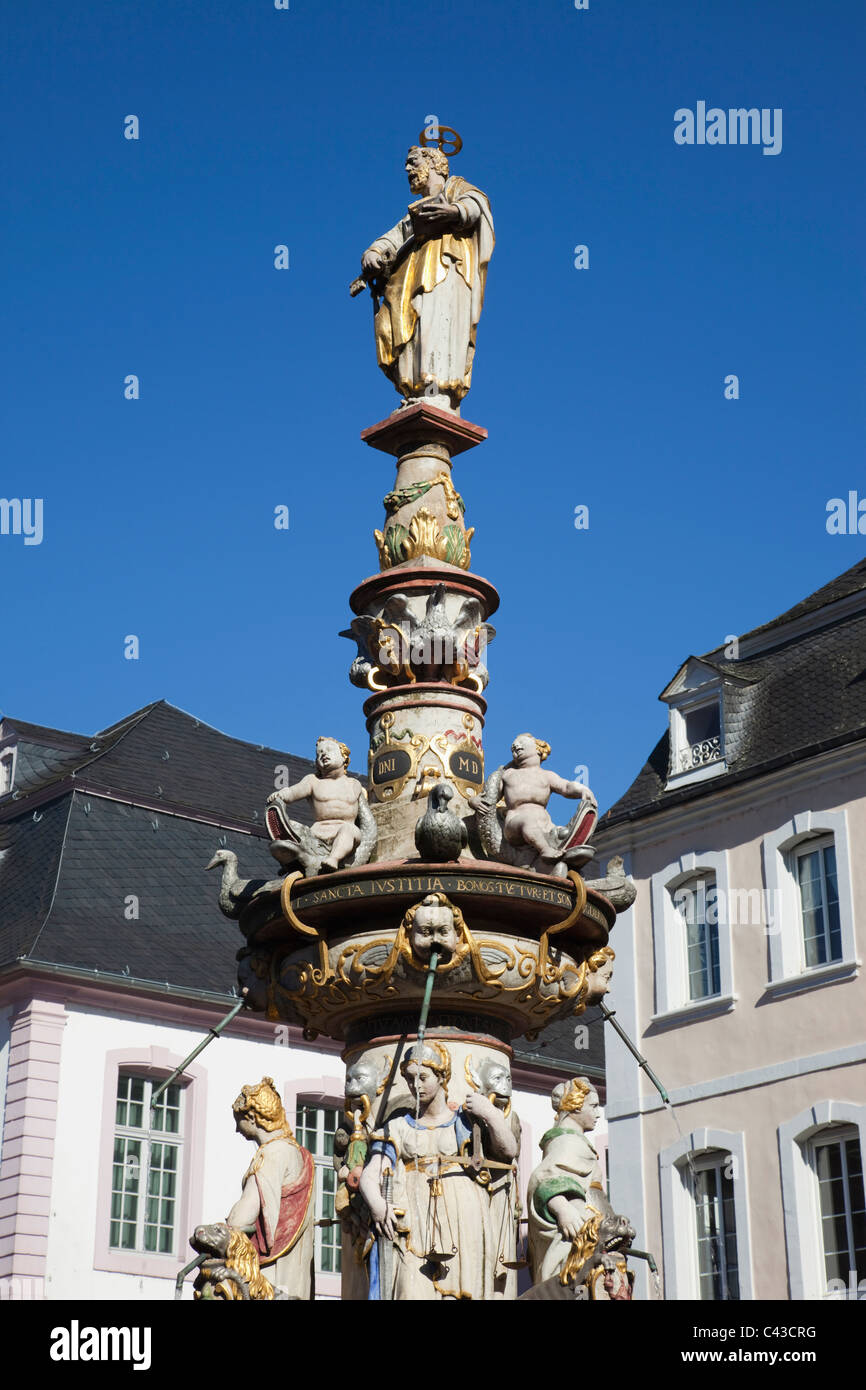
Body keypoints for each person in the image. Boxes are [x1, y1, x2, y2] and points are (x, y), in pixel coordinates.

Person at [358, 1042, 517, 1299]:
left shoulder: (465, 1122)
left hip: (463, 1217)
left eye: (423, 1077)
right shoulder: (397, 1126)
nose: (415, 1085)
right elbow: (371, 1172)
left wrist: (490, 1113)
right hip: (412, 1217)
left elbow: (508, 1152)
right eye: (409, 1078)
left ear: (442, 1076)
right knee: (410, 1289)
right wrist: (377, 1205)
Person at [359, 145, 494, 413]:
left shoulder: (455, 188)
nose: (407, 170)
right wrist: (372, 253)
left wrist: (455, 213)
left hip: (444, 269)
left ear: (433, 164)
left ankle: (438, 392)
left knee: (436, 324)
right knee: (415, 331)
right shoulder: (414, 213)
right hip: (411, 277)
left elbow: (477, 204)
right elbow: (393, 237)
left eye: (412, 163)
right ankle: (416, 390)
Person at [226, 1077, 315, 1300]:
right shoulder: (297, 1153)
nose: (237, 1129)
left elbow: (240, 1219)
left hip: (270, 1279)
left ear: (253, 1118)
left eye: (239, 1121)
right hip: (295, 1277)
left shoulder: (272, 1154)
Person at [526, 1077, 607, 1285]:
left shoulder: (574, 1142)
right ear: (576, 1106)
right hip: (570, 1240)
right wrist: (563, 1209)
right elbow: (542, 1180)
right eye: (594, 1106)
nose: (598, 1114)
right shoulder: (568, 1142)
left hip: (585, 1238)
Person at [266, 736, 365, 871]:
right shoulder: (313, 781)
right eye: (319, 753)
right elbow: (294, 792)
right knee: (292, 827)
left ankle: (333, 859)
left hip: (346, 833)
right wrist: (282, 794)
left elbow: (365, 817)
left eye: (329, 750)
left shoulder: (355, 784)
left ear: (344, 757)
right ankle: (292, 861)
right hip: (317, 835)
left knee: (350, 830)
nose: (323, 754)